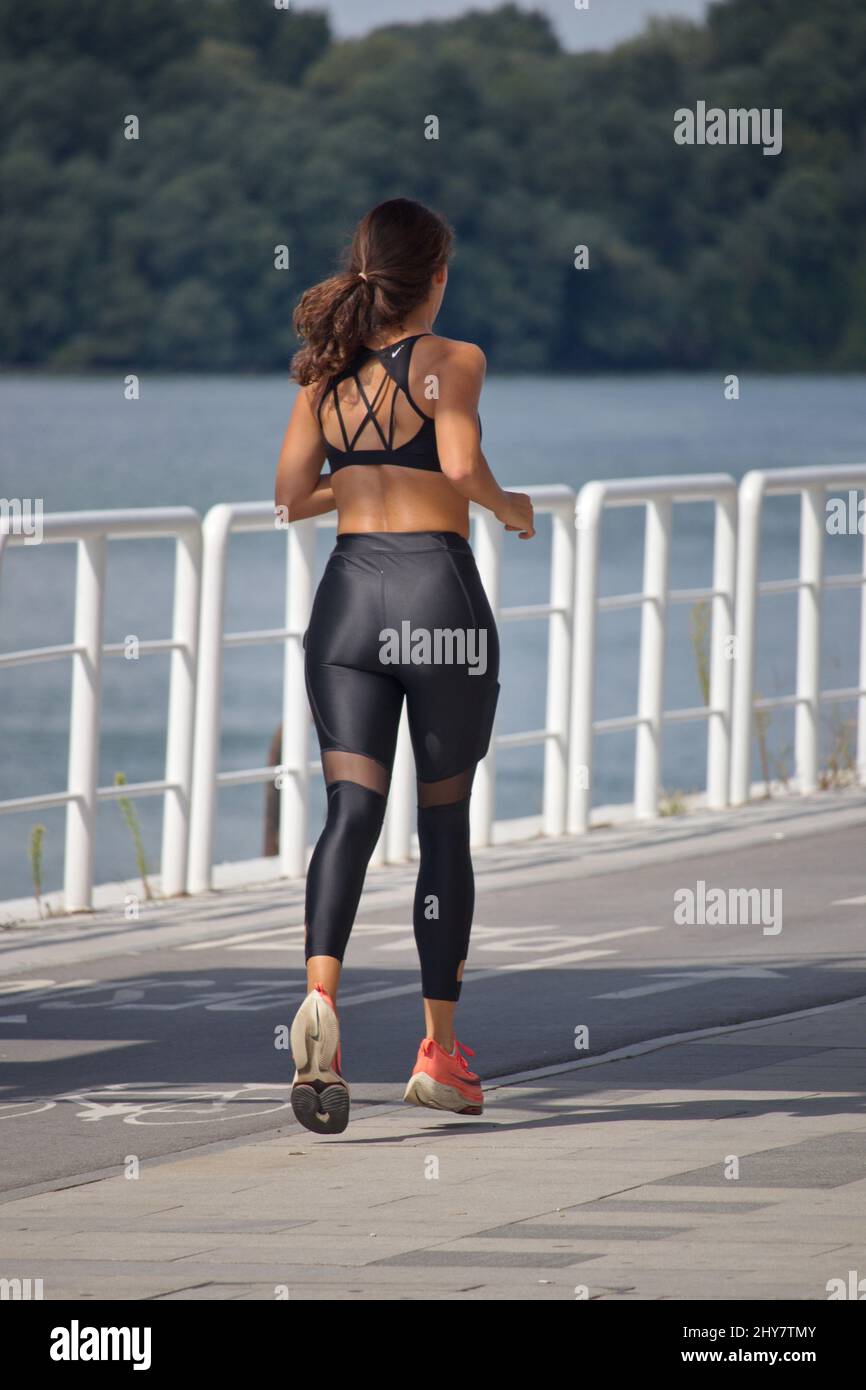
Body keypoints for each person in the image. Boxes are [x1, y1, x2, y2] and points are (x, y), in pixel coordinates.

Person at [274, 197, 534, 1134]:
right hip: (437, 596)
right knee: (444, 824)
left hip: (347, 599)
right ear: (435, 277)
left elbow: (290, 493)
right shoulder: (454, 359)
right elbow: (460, 464)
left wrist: (365, 470)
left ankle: (322, 1006)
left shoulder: (323, 374)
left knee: (350, 811)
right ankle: (438, 1055)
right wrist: (510, 507)